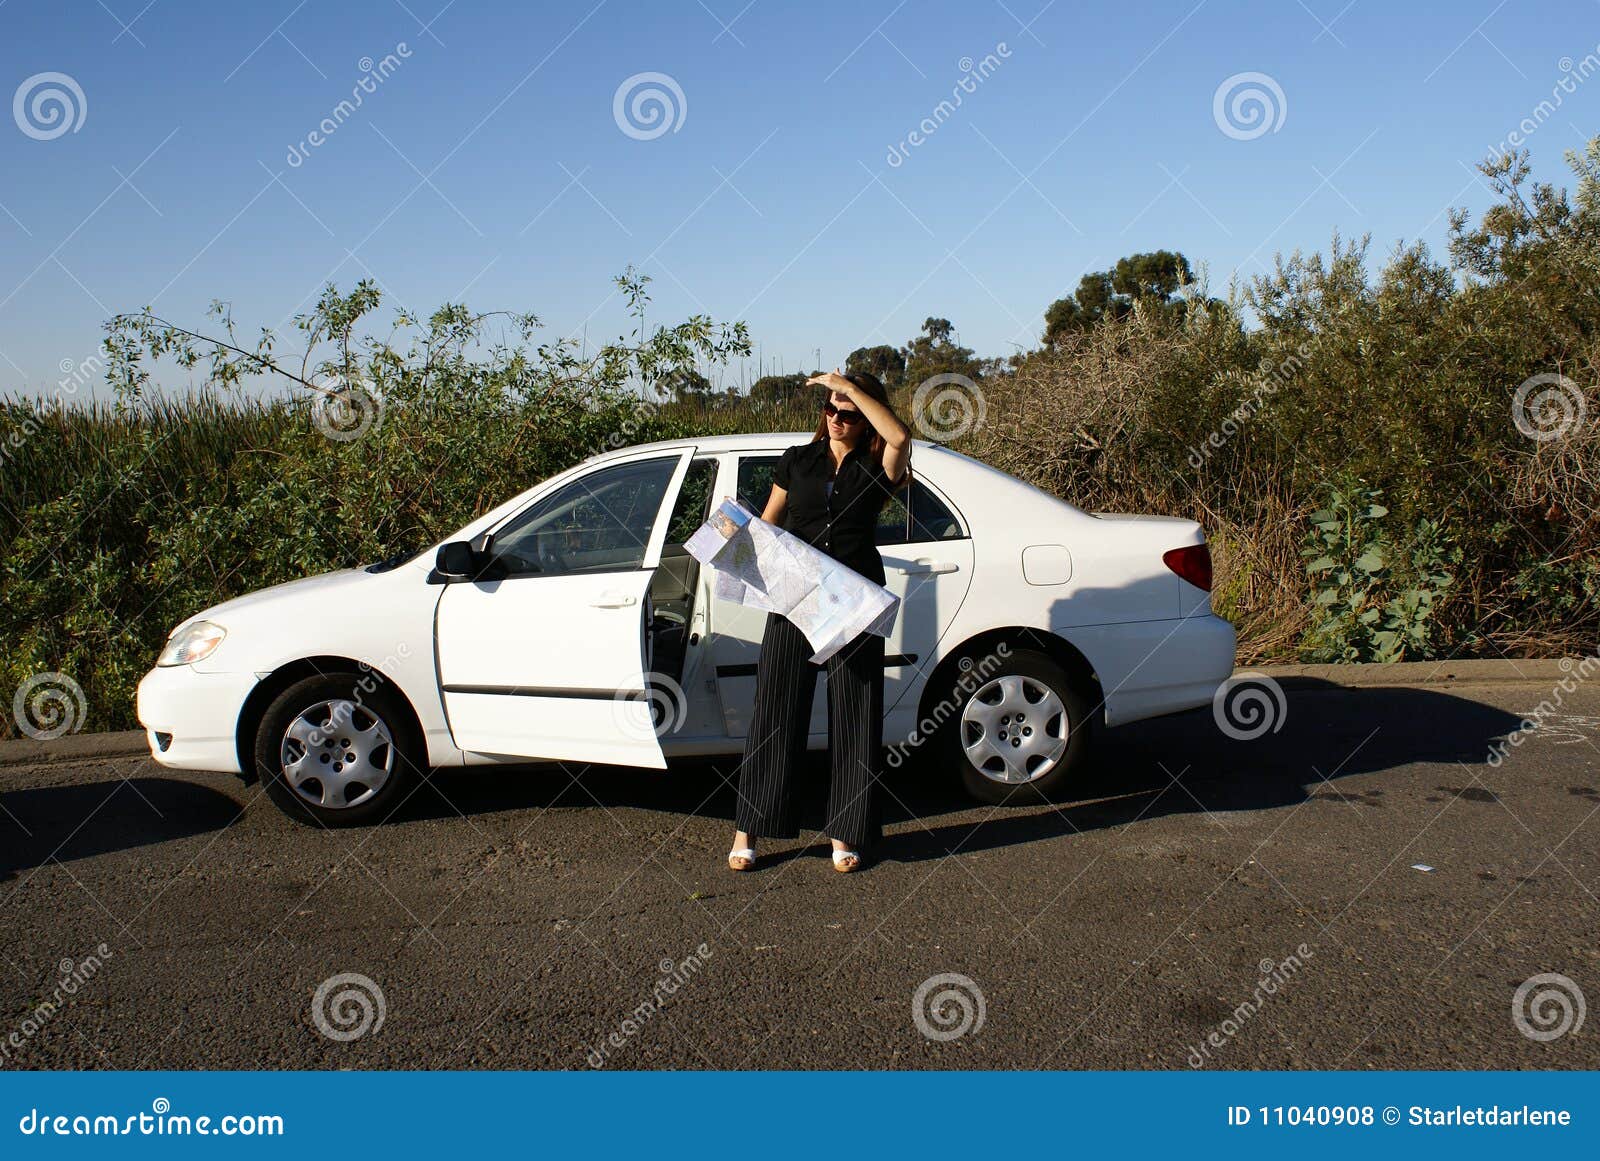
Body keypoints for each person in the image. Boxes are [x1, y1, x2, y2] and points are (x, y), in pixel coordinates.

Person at [727, 369, 911, 873]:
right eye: (829, 409)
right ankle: (750, 828)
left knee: (856, 712)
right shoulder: (798, 460)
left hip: (854, 602)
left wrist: (852, 389)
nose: (835, 419)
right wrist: (730, 542)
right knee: (775, 710)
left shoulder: (880, 464)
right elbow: (769, 523)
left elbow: (899, 435)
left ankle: (845, 833)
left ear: (865, 416)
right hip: (796, 599)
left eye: (847, 412)